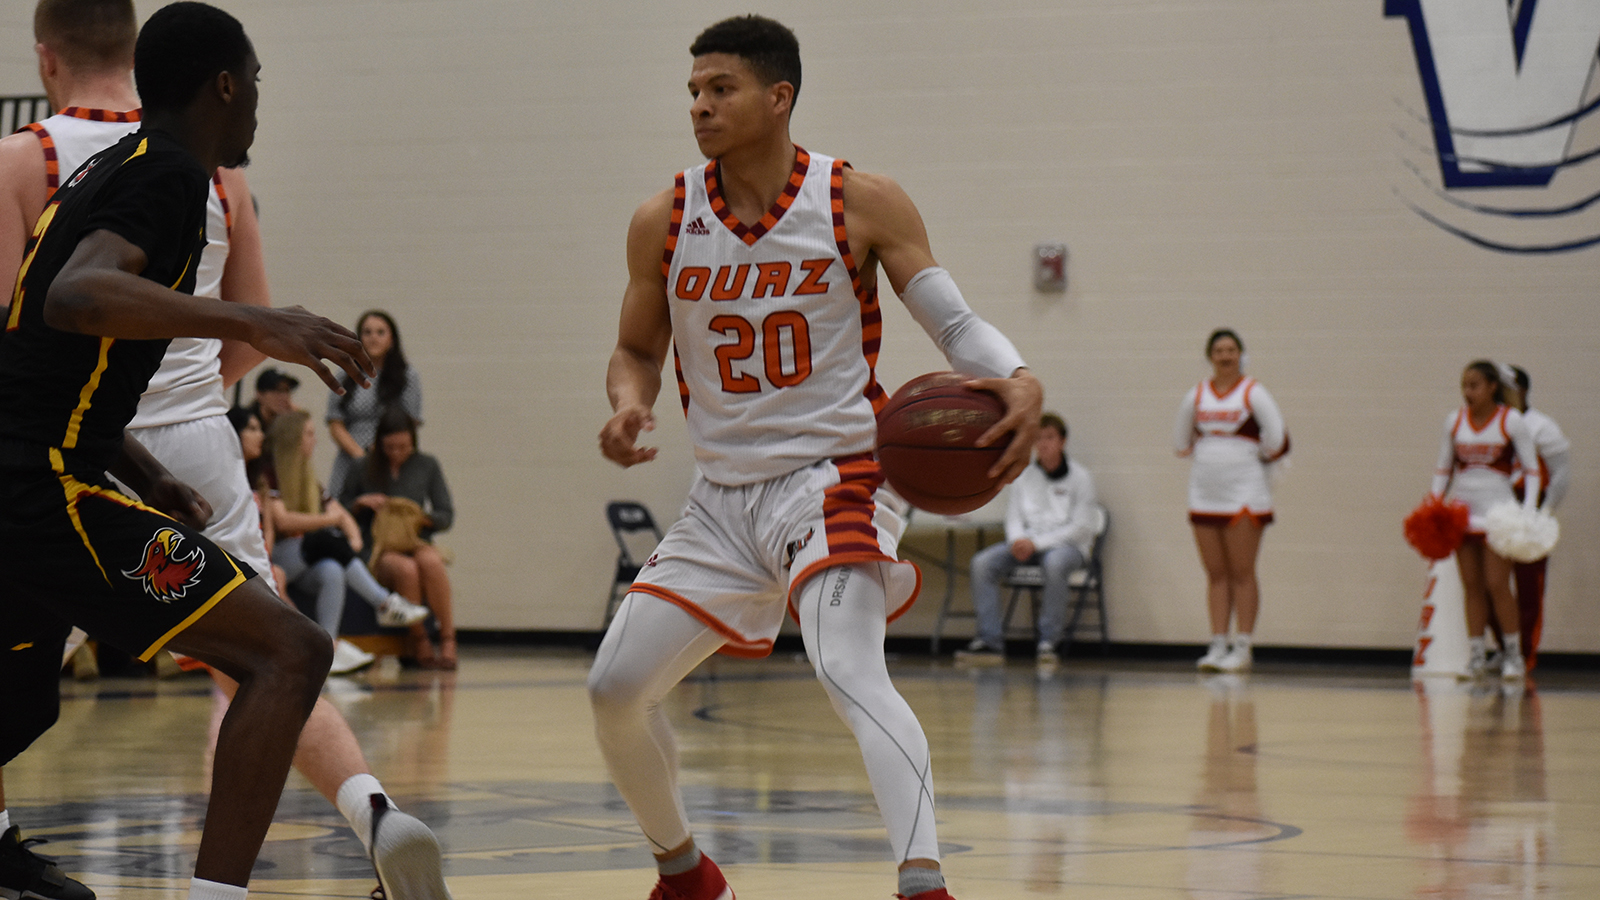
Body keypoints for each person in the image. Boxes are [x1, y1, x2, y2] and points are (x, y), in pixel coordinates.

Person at [0, 4, 452, 899]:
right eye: (256, 85)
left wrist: (149, 472)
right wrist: (257, 321)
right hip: (39, 488)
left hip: (40, 472)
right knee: (289, 651)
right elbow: (78, 298)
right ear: (225, 84)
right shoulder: (168, 177)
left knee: (23, 700)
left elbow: (37, 361)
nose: (259, 108)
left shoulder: (110, 167)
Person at [590, 16, 1043, 900]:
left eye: (719, 89)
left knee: (845, 663)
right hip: (719, 497)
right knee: (613, 689)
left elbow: (950, 323)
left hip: (838, 476)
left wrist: (1016, 374)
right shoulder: (665, 217)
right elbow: (635, 350)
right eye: (693, 91)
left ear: (778, 96)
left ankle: (924, 884)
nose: (700, 106)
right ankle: (685, 875)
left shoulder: (858, 199)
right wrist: (628, 403)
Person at [265, 410, 431, 673]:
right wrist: (330, 523)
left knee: (332, 570)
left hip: (302, 559)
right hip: (275, 557)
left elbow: (341, 514)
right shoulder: (270, 473)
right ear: (293, 438)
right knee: (322, 540)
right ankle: (384, 602)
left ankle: (329, 647)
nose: (314, 440)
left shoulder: (310, 480)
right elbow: (284, 521)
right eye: (309, 433)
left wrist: (352, 540)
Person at [1173, 329, 1287, 674]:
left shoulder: (1254, 393)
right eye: (1219, 350)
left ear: (1241, 354)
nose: (1225, 356)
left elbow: (1277, 438)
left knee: (1242, 571)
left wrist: (1251, 456)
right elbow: (1180, 442)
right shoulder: (1195, 396)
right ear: (1210, 356)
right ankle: (1218, 642)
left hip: (1244, 494)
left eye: (1231, 350)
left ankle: (1243, 645)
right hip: (1205, 492)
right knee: (1215, 573)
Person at [956, 413, 1098, 665]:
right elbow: (1013, 518)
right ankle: (990, 642)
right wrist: (1018, 540)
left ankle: (1047, 642)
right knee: (982, 563)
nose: (1043, 444)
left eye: (1049, 438)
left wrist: (1037, 544)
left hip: (1067, 549)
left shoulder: (1081, 478)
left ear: (1062, 442)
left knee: (1054, 564)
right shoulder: (1024, 475)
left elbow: (1082, 529)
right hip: (1026, 546)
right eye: (1038, 439)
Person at [1430, 361, 1541, 680]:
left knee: (1497, 583)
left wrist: (1528, 510)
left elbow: (1531, 470)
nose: (1468, 392)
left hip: (1498, 513)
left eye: (1474, 385)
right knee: (1471, 586)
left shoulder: (1511, 420)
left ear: (1492, 387)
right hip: (1462, 511)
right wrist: (1435, 504)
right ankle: (1477, 655)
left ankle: (1513, 655)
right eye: (1465, 386)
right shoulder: (1454, 421)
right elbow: (1443, 468)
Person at [343, 407, 457, 669]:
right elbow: (341, 505)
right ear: (380, 443)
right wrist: (361, 503)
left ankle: (448, 638)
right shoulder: (362, 466)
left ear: (413, 441)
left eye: (403, 447)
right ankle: (419, 640)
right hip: (379, 547)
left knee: (430, 561)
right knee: (406, 569)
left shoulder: (427, 464)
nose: (396, 453)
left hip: (416, 540)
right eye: (390, 447)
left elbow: (446, 514)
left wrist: (419, 517)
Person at [1496, 366, 1571, 672]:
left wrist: (1544, 513)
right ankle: (1505, 649)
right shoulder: (1493, 425)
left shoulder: (1542, 427)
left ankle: (1525, 655)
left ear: (1521, 390)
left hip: (1530, 511)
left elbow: (1561, 475)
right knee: (1492, 585)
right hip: (1496, 512)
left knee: (1529, 589)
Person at [325, 310, 421, 499]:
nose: (373, 338)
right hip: (351, 457)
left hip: (392, 458)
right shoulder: (345, 374)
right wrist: (360, 456)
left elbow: (412, 422)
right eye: (367, 333)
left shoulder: (407, 377)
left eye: (380, 332)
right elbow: (335, 422)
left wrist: (381, 455)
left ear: (392, 339)